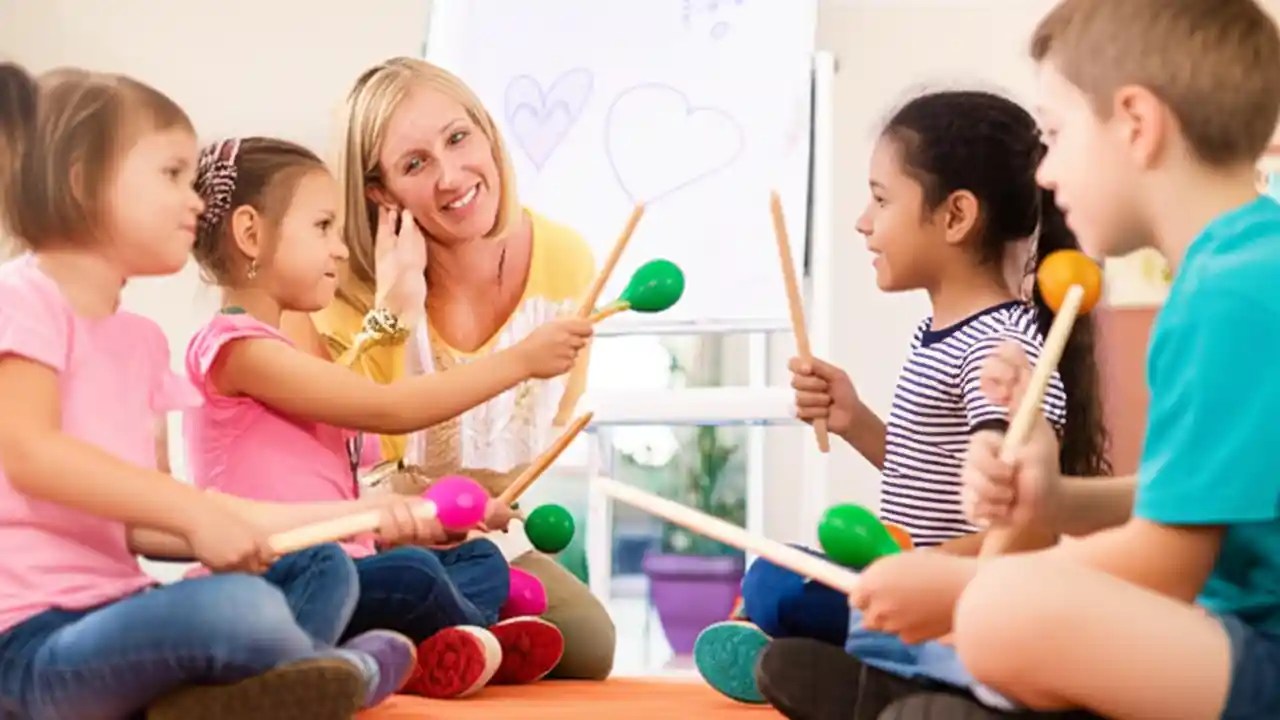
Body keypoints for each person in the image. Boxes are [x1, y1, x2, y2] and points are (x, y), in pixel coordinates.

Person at [857, 1, 1280, 719]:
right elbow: (1203, 498)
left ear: (1137, 126)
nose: (1046, 174)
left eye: (1055, 135)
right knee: (1009, 602)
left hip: (1260, 646)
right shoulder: (1242, 265)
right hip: (1239, 630)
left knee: (1004, 610)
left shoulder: (1234, 290)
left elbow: (1167, 559)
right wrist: (1059, 503)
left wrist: (964, 590)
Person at [0, 63, 422, 720]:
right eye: (170, 174)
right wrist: (197, 516)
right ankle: (328, 672)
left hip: (120, 611)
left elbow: (149, 525)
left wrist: (367, 518)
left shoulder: (140, 342)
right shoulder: (21, 297)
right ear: (83, 183)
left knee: (322, 567)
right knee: (237, 607)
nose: (195, 200)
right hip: (31, 645)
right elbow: (30, 452)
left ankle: (263, 687)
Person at [693, 89, 1110, 715]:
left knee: (780, 585)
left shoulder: (999, 351)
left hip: (967, 592)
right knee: (782, 570)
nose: (863, 221)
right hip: (918, 569)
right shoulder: (945, 334)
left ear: (955, 216)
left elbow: (1022, 519)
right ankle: (850, 660)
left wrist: (913, 570)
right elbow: (936, 475)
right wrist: (854, 419)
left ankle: (893, 674)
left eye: (881, 199)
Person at [184, 136, 593, 697]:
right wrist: (520, 361)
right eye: (322, 227)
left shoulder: (292, 354)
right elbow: (390, 409)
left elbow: (367, 437)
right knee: (416, 576)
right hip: (280, 581)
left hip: (349, 570)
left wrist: (430, 516)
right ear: (252, 233)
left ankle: (452, 642)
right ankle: (467, 636)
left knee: (477, 559)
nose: (340, 251)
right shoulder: (236, 350)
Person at [289, 56, 617, 680]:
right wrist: (394, 308)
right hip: (379, 529)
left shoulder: (566, 260)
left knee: (589, 643)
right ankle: (431, 639)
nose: (451, 176)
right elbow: (350, 447)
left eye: (458, 138)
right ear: (380, 193)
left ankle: (437, 641)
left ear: (486, 132)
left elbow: (542, 428)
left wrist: (487, 515)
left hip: (486, 529)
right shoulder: (343, 286)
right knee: (413, 589)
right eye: (415, 164)